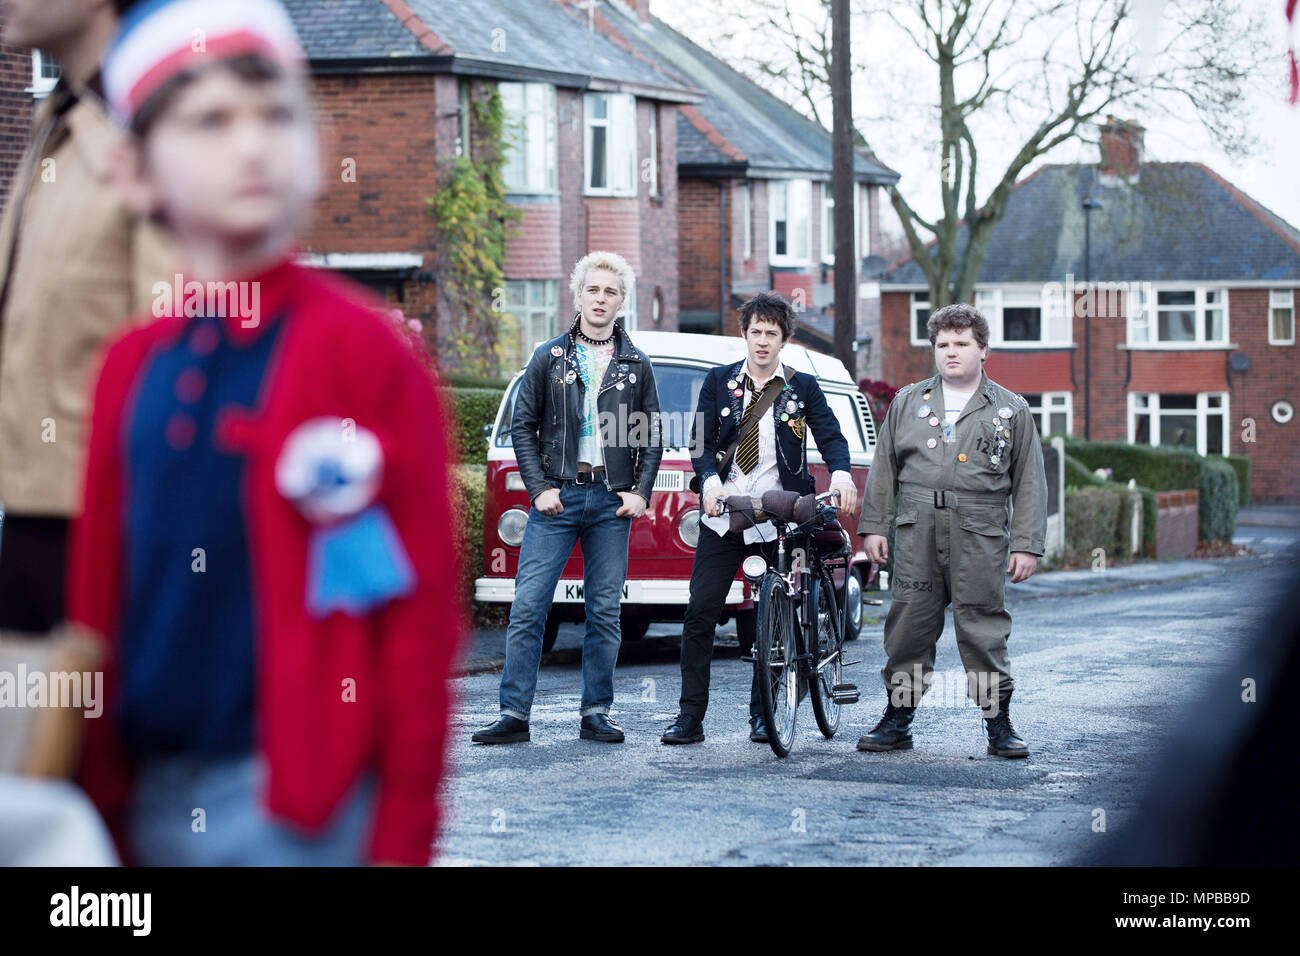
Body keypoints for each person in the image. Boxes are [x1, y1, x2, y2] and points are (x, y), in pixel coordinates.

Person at [67, 0, 462, 865]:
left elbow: (418, 618)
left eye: (278, 114)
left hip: (303, 808)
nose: (252, 144)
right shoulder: (130, 366)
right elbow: (96, 595)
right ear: (133, 170)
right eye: (210, 120)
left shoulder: (364, 354)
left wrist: (400, 834)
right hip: (137, 804)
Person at [0, 0, 173, 774]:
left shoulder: (156, 125)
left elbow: (177, 375)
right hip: (31, 536)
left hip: (106, 542)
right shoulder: (58, 120)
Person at [472, 252, 662, 745]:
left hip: (609, 502)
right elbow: (523, 424)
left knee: (604, 611)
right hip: (557, 498)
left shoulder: (635, 365)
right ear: (578, 296)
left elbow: (653, 434)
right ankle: (514, 714)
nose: (601, 299)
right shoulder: (547, 357)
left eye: (611, 292)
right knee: (529, 605)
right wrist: (539, 489)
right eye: (593, 290)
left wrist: (639, 492)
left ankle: (596, 711)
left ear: (622, 302)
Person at [662, 292, 857, 745]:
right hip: (725, 512)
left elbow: (831, 437)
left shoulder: (802, 386)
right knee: (700, 614)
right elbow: (701, 443)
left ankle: (763, 713)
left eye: (772, 334)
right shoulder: (718, 381)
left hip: (781, 516)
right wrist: (709, 482)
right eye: (756, 333)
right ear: (744, 334)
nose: (763, 341)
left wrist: (843, 474)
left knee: (769, 616)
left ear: (784, 339)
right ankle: (690, 717)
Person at [856, 303, 1046, 758]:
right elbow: (883, 469)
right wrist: (875, 527)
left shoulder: (1010, 409)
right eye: (943, 344)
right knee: (908, 627)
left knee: (982, 627)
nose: (951, 352)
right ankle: (897, 719)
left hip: (979, 531)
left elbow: (1030, 481)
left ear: (984, 350)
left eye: (962, 344)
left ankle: (999, 724)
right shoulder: (907, 403)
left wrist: (1026, 545)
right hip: (916, 526)